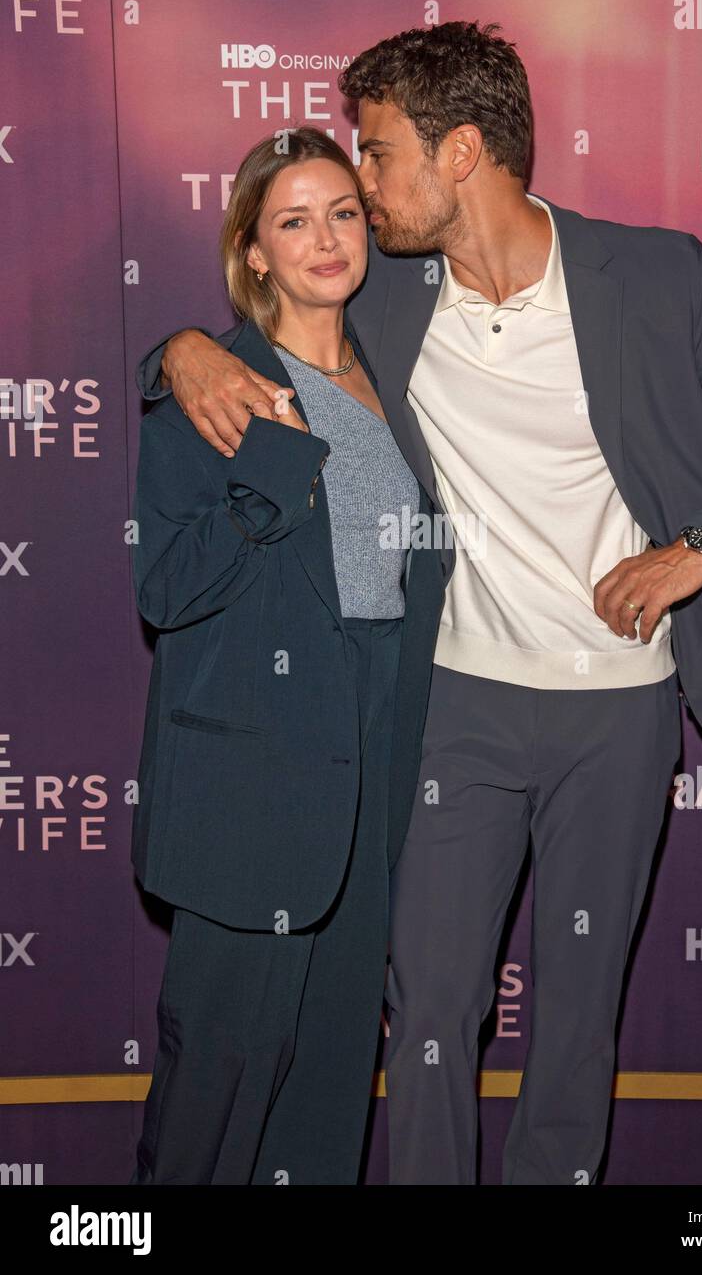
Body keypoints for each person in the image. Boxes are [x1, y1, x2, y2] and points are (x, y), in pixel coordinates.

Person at [134, 22, 702, 1185]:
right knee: (426, 1012)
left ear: (458, 152)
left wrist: (701, 549)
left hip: (618, 709)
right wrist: (176, 351)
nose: (361, 192)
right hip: (453, 708)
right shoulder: (389, 287)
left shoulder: (646, 276)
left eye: (377, 156)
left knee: (575, 1020)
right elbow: (259, 317)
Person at [129, 125, 444, 1185]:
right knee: (216, 1088)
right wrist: (265, 463)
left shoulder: (393, 370)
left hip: (371, 767)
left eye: (344, 213)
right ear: (253, 251)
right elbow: (165, 589)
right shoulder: (214, 389)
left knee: (328, 1088)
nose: (327, 239)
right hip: (252, 783)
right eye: (294, 221)